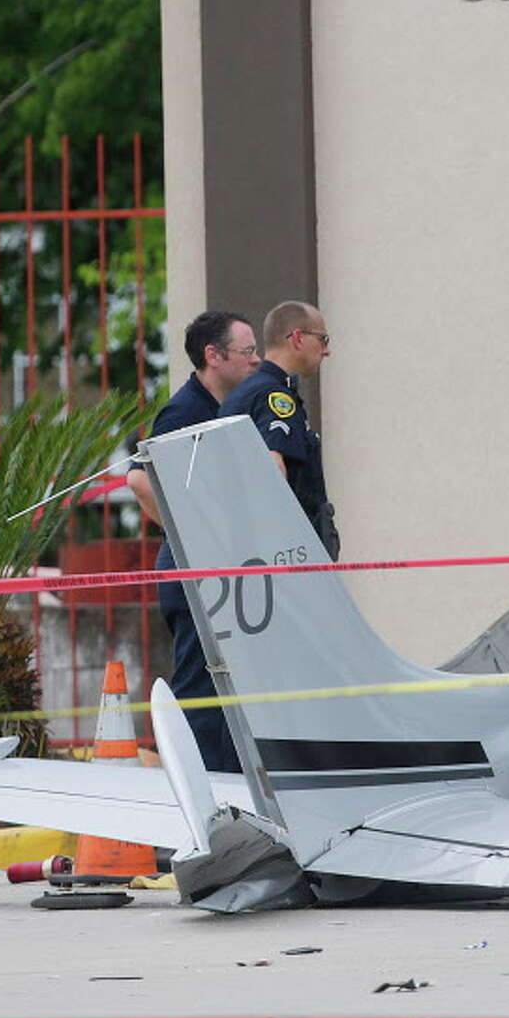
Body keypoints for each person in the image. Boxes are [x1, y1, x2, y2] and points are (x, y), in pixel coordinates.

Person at [125, 309, 258, 772]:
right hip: (193, 571)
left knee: (229, 687)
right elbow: (139, 480)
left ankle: (231, 783)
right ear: (213, 355)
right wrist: (188, 534)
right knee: (201, 688)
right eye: (247, 351)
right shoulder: (186, 412)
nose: (256, 360)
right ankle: (201, 786)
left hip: (217, 570)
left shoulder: (228, 406)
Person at [219, 300, 338, 558]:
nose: (326, 351)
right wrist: (286, 548)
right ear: (297, 338)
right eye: (323, 339)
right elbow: (272, 467)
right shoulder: (274, 396)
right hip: (290, 553)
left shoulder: (245, 393)